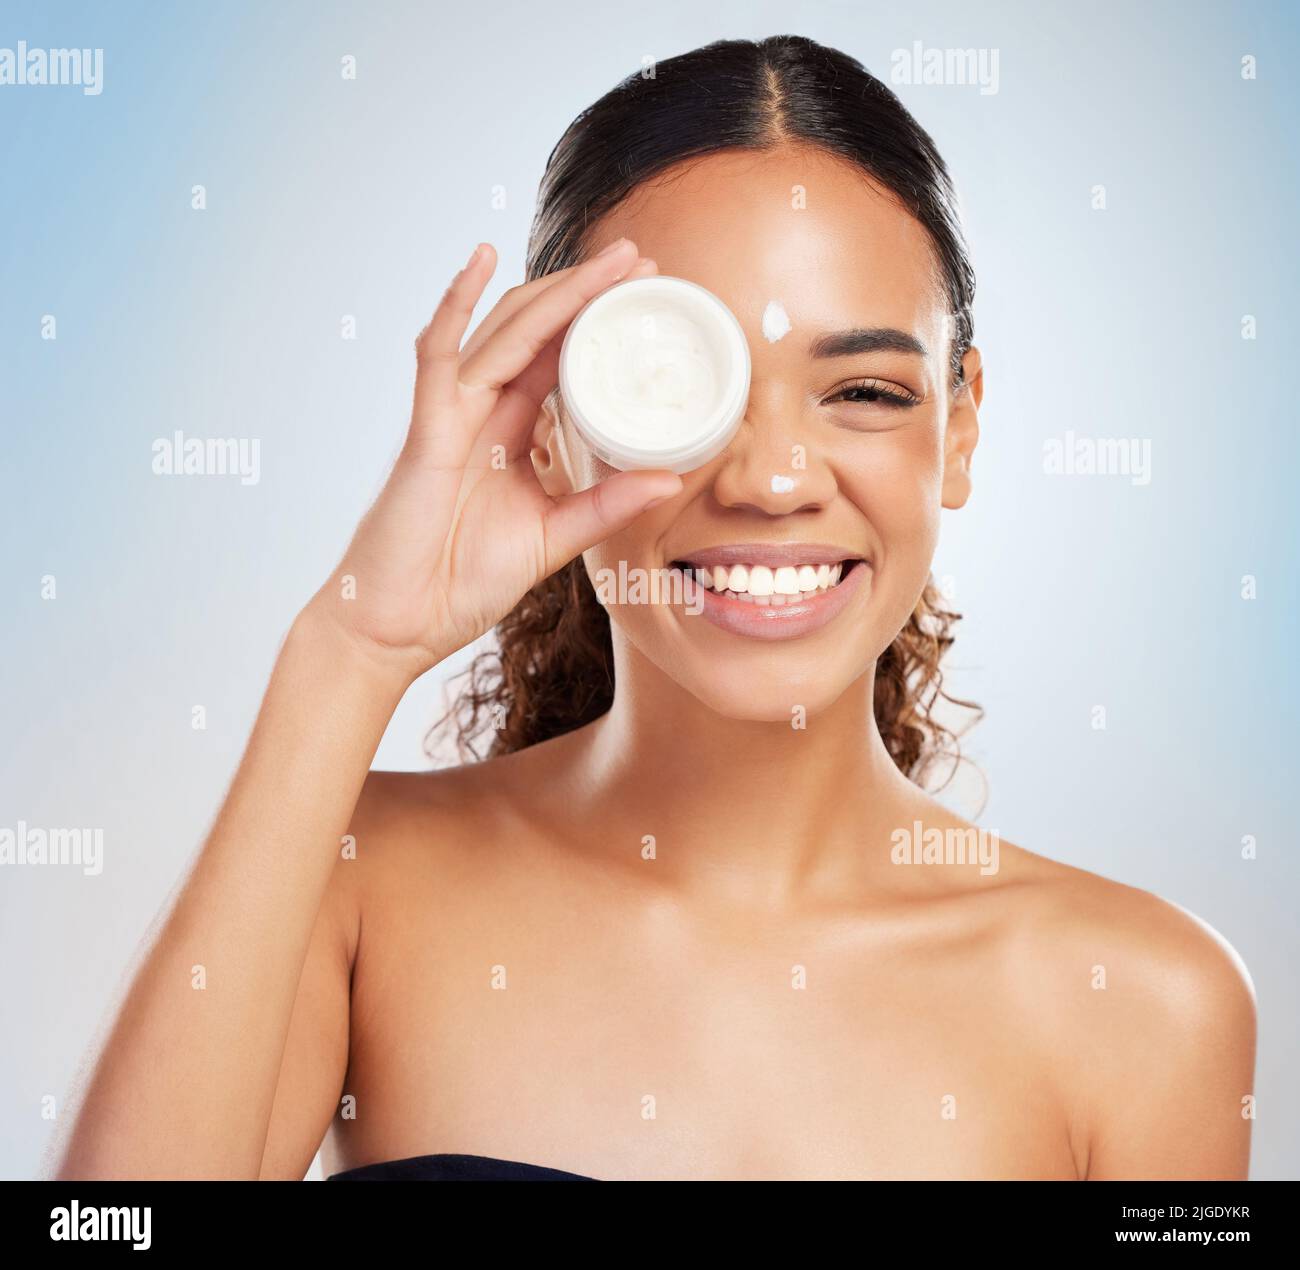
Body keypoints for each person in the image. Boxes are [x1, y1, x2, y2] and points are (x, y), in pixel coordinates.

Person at [54, 35, 1255, 1182]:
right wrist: (351, 648)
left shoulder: (1148, 1001)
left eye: (865, 389)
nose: (772, 480)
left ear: (962, 425)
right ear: (559, 418)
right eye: (687, 387)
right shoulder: (358, 880)